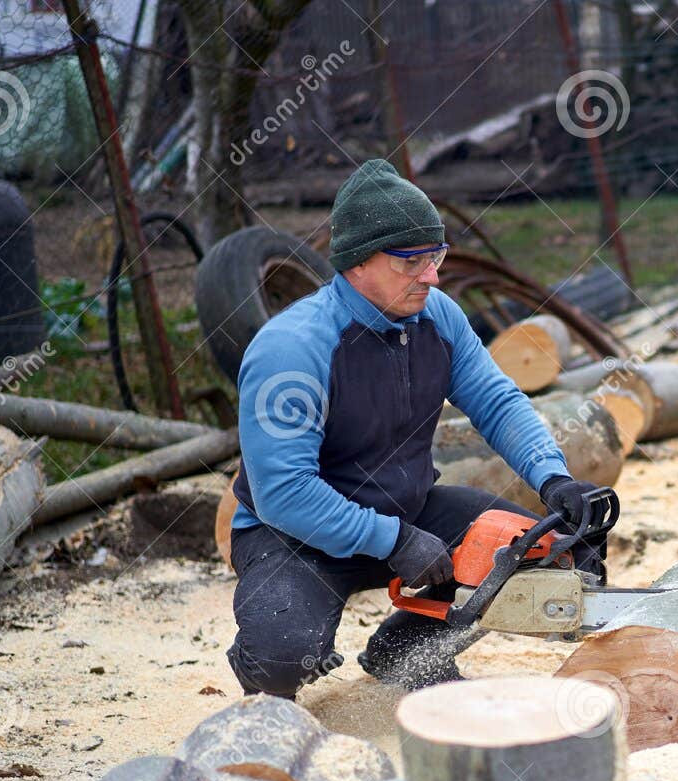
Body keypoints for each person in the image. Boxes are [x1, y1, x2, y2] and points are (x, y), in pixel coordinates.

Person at [224, 158, 610, 698]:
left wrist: (554, 480)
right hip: (293, 537)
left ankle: (405, 652)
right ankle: (266, 659)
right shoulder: (291, 349)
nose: (430, 275)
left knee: (537, 555)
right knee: (286, 655)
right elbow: (283, 493)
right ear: (357, 262)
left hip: (407, 508)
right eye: (412, 261)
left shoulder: (438, 316)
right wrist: (391, 539)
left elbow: (497, 402)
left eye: (436, 257)